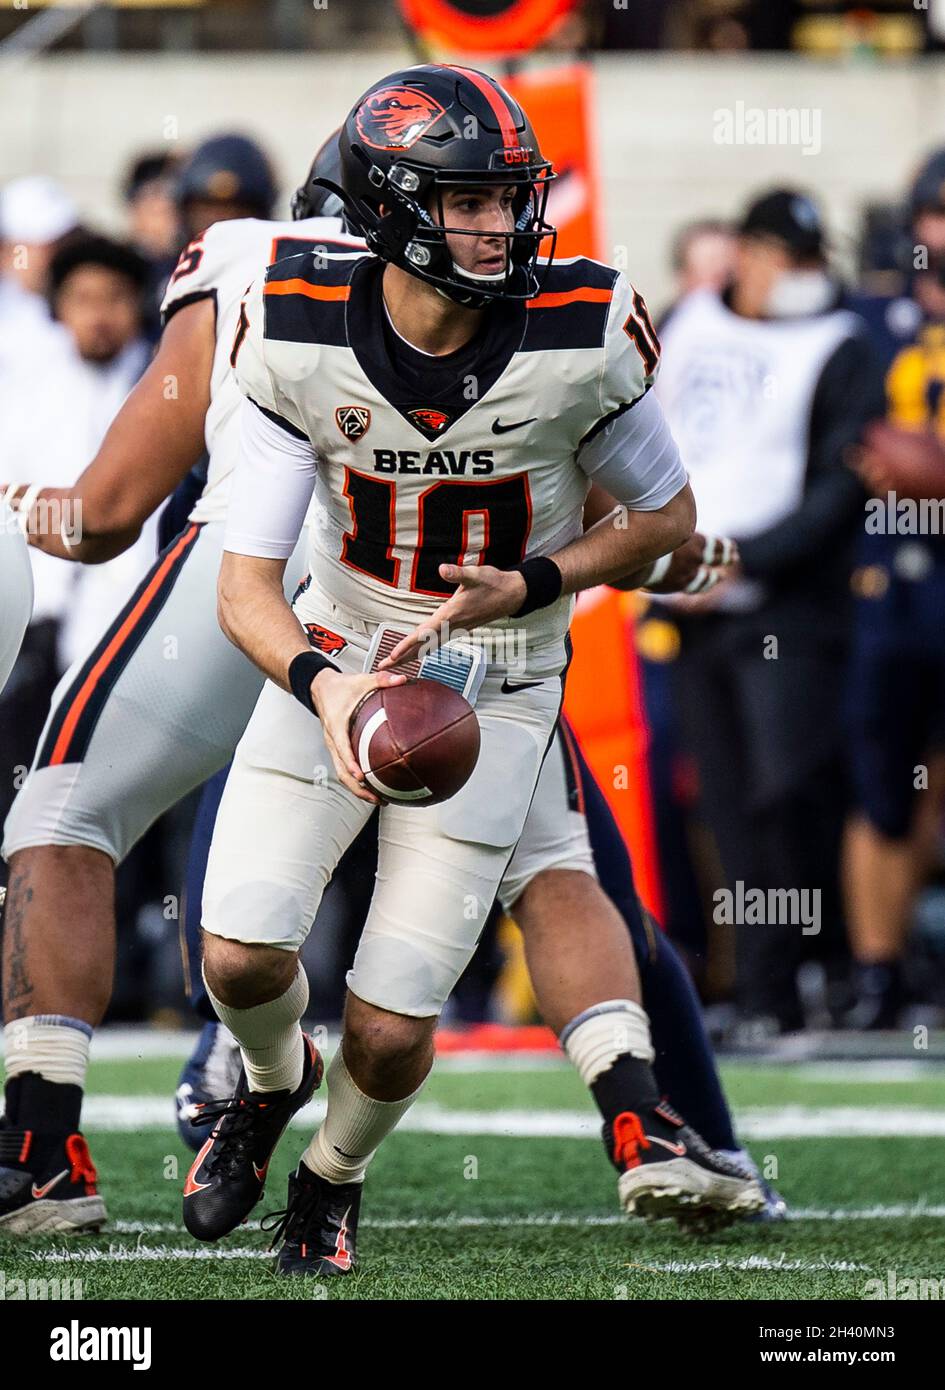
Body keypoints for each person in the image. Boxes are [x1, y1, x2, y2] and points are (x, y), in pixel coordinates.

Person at [184, 66, 772, 1281]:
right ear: (393, 207)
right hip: (340, 646)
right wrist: (329, 686)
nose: (501, 226)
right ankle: (267, 1081)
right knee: (238, 956)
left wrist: (537, 581)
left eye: (510, 200)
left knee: (396, 1027)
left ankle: (331, 1175)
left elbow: (665, 518)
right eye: (467, 204)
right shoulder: (292, 324)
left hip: (501, 675)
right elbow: (243, 587)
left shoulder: (583, 327)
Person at [654, 188, 886, 1035]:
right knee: (722, 802)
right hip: (690, 602)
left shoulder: (842, 344)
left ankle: (807, 973)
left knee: (787, 791)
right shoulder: (688, 323)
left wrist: (745, 556)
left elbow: (838, 485)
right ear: (746, 253)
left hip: (788, 608)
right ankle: (758, 991)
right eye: (787, 256)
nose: (800, 276)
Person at [842, 150, 945, 1026]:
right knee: (881, 780)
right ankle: (877, 971)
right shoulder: (873, 315)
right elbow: (845, 431)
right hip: (890, 570)